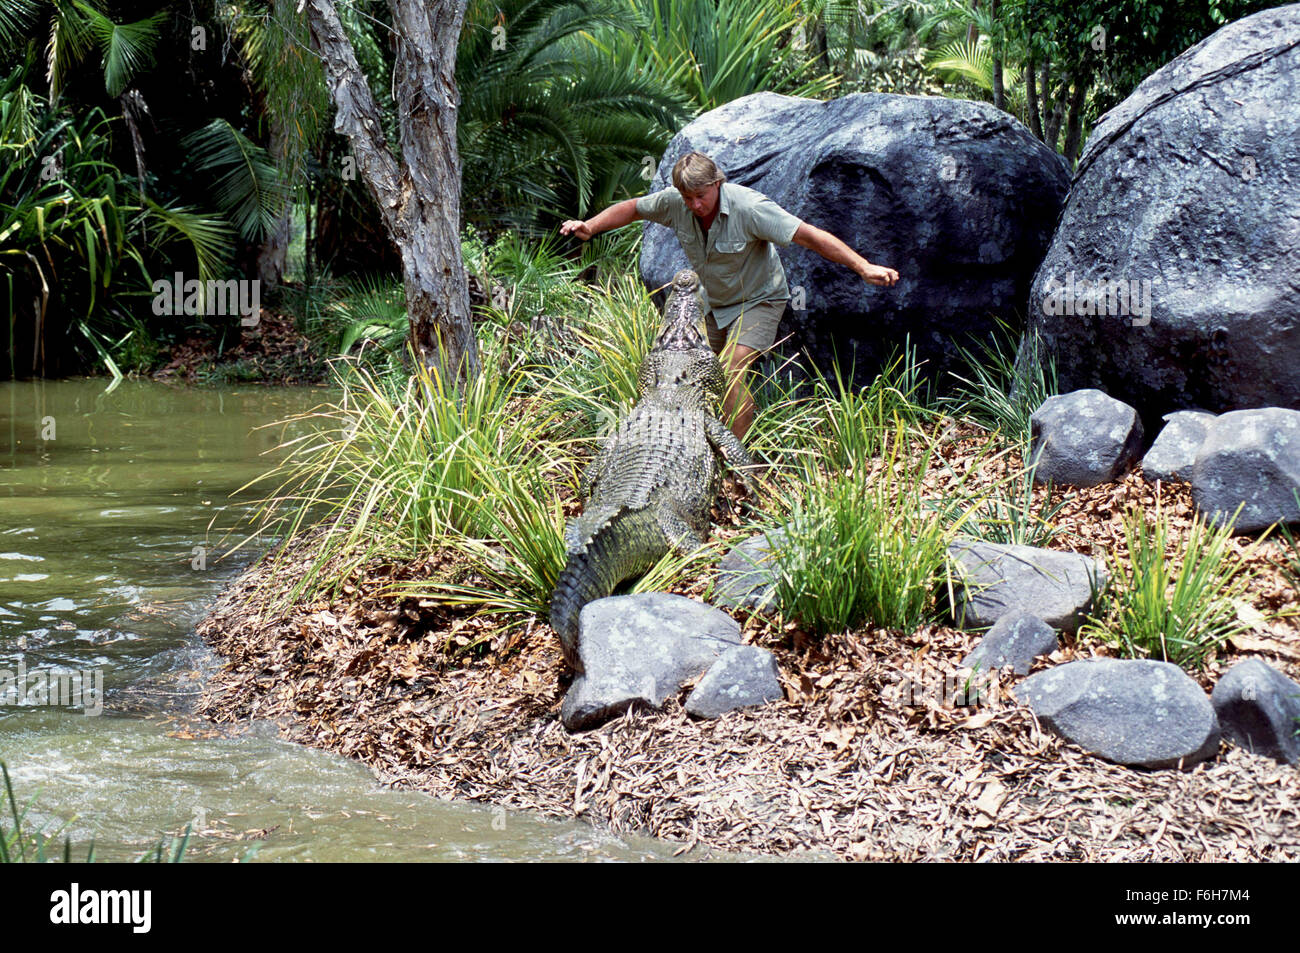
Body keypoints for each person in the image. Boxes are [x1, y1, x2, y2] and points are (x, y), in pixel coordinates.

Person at [560, 151, 899, 441]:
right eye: (688, 197)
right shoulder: (677, 203)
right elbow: (633, 208)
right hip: (715, 303)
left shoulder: (750, 208)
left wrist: (862, 266)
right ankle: (698, 442)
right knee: (692, 371)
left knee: (730, 369)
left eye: (701, 196)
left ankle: (736, 461)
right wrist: (591, 226)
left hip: (759, 300)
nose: (695, 204)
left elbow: (810, 237)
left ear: (717, 183)